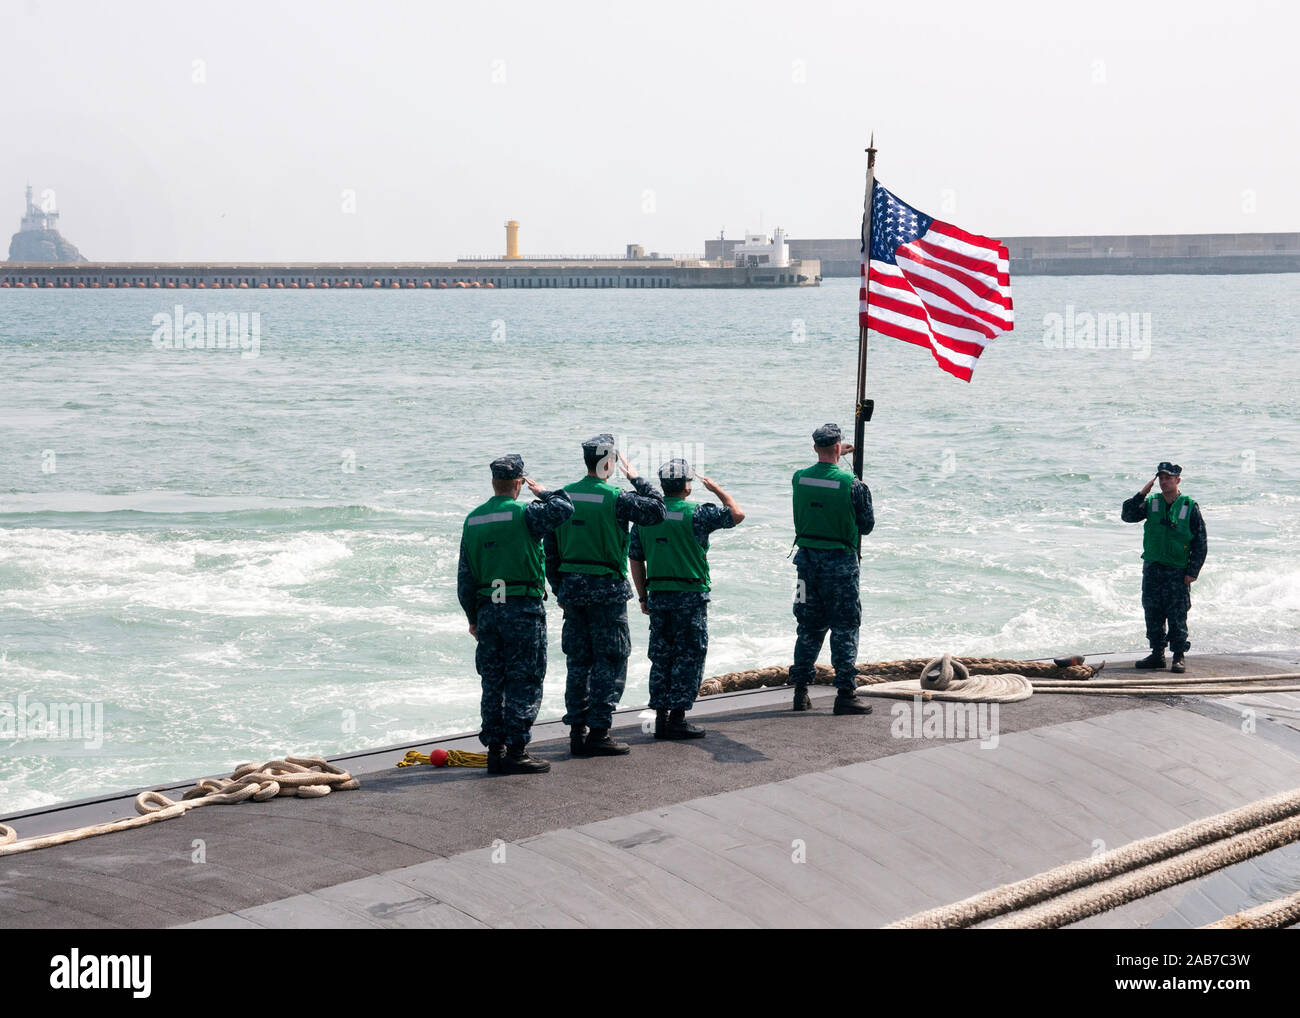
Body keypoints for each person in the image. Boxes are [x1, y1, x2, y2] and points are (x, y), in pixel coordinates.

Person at [545, 434, 665, 756]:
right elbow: (657, 511)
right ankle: (598, 732)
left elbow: (550, 551)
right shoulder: (617, 497)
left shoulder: (562, 496)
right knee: (609, 660)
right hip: (607, 590)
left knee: (578, 660)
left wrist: (560, 587)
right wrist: (638, 478)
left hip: (572, 589)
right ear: (610, 463)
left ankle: (576, 731)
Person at [457, 454, 573, 775]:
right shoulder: (526, 513)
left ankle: (496, 749)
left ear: (493, 483)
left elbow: (465, 576)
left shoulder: (473, 519)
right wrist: (545, 492)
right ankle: (517, 750)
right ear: (520, 483)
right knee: (525, 677)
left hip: (488, 608)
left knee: (493, 680)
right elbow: (565, 509)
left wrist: (472, 617)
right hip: (522, 607)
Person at [628, 459, 745, 739]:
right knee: (689, 655)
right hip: (690, 596)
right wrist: (716, 489)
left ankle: (660, 717)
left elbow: (635, 559)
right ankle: (678, 719)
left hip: (658, 594)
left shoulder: (646, 517)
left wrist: (643, 596)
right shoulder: (697, 513)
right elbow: (737, 514)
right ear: (687, 488)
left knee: (661, 655)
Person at [789, 423, 875, 715]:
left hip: (806, 564)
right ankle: (845, 693)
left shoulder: (799, 478)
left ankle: (800, 691)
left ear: (815, 448)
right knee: (845, 626)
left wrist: (835, 459)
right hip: (840, 565)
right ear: (839, 447)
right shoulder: (853, 485)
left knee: (808, 627)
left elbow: (821, 480)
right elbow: (867, 525)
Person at [1121, 462, 1207, 674]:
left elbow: (1201, 541)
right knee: (1152, 611)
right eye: (1161, 478)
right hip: (1153, 567)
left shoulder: (1189, 506)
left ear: (1177, 480)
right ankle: (1157, 654)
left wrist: (1192, 572)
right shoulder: (1151, 502)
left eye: (1168, 478)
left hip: (1177, 570)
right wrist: (1142, 493)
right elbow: (1128, 516)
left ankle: (1178, 656)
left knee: (1177, 614)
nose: (1164, 481)